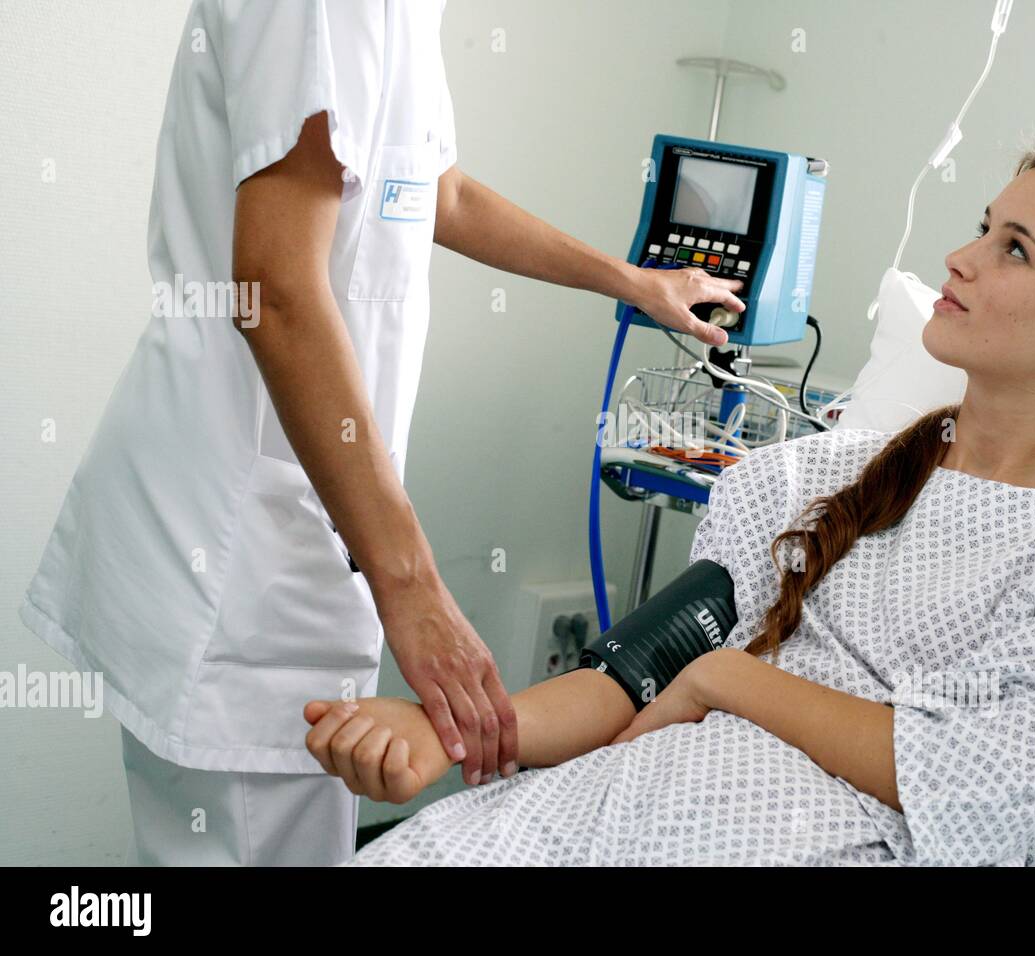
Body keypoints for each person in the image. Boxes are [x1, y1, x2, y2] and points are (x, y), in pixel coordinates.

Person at [305, 146, 1035, 866]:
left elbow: (978, 785)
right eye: (982, 226)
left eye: (1014, 247)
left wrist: (726, 679)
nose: (960, 258)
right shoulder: (808, 482)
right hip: (601, 816)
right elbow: (635, 677)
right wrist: (439, 732)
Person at [18, 0, 743, 866]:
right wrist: (414, 588)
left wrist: (630, 281)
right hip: (238, 550)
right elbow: (276, 291)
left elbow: (442, 192)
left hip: (276, 533)